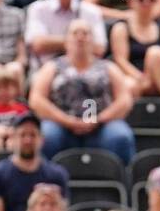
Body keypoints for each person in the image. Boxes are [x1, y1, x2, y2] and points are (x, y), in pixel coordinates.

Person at [29, 19, 136, 166]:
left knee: (120, 136)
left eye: (85, 33)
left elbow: (124, 100)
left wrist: (98, 119)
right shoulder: (52, 67)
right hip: (61, 124)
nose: (80, 37)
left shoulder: (108, 67)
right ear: (66, 40)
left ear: (93, 40)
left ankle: (122, 181)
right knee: (46, 136)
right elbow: (36, 100)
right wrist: (67, 120)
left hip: (102, 125)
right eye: (75, 33)